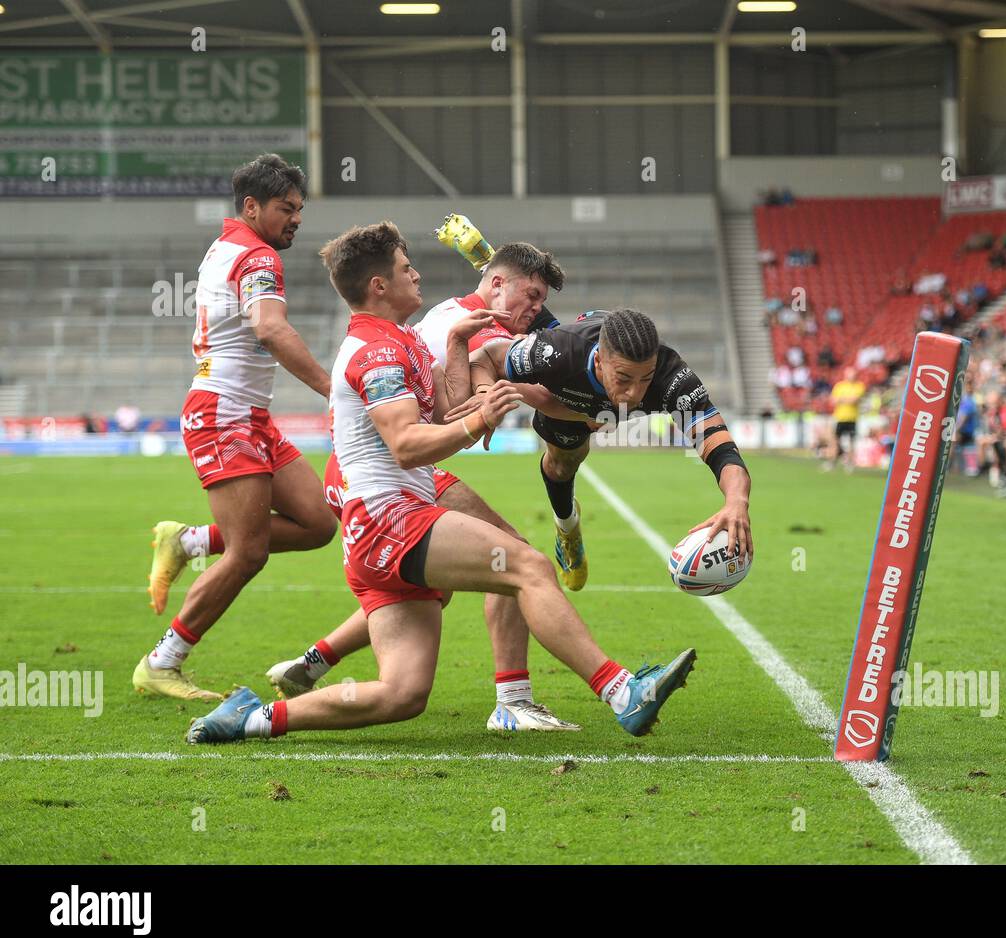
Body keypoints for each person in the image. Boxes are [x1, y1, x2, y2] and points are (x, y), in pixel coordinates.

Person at [186, 221, 695, 744]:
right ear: (380, 286)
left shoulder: (398, 340)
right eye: (407, 268)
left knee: (402, 694)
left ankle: (252, 717)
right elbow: (409, 444)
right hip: (390, 517)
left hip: (380, 532)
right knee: (526, 565)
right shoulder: (378, 353)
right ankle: (621, 693)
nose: (418, 273)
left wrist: (457, 346)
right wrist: (478, 419)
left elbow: (446, 414)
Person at [265, 234, 583, 731]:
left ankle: (314, 661)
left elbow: (450, 403)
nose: (537, 311)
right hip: (378, 475)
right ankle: (515, 701)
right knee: (510, 556)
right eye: (533, 298)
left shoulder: (437, 322)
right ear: (497, 284)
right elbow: (493, 405)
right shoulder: (467, 333)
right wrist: (595, 401)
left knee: (432, 582)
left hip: (373, 469)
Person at [136, 154, 337, 701]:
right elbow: (270, 329)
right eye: (284, 209)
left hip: (245, 413)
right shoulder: (258, 257)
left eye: (299, 209)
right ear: (252, 207)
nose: (295, 219)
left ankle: (189, 540)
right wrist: (334, 390)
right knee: (247, 553)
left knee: (320, 522)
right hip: (225, 414)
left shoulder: (227, 245)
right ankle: (161, 662)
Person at [462, 309, 754, 589]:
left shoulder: (672, 375)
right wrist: (485, 396)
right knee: (562, 465)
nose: (635, 393)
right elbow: (485, 357)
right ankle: (567, 526)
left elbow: (720, 444)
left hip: (591, 396)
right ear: (601, 362)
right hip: (565, 389)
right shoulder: (557, 352)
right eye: (623, 378)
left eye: (646, 378)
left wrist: (737, 500)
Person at [828, 366, 865, 472]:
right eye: (849, 373)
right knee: (835, 441)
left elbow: (854, 400)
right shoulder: (839, 386)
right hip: (840, 417)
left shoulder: (859, 386)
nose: (851, 375)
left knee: (851, 442)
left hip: (852, 418)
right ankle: (832, 463)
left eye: (853, 373)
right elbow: (832, 400)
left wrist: (841, 399)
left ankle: (849, 464)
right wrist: (846, 399)